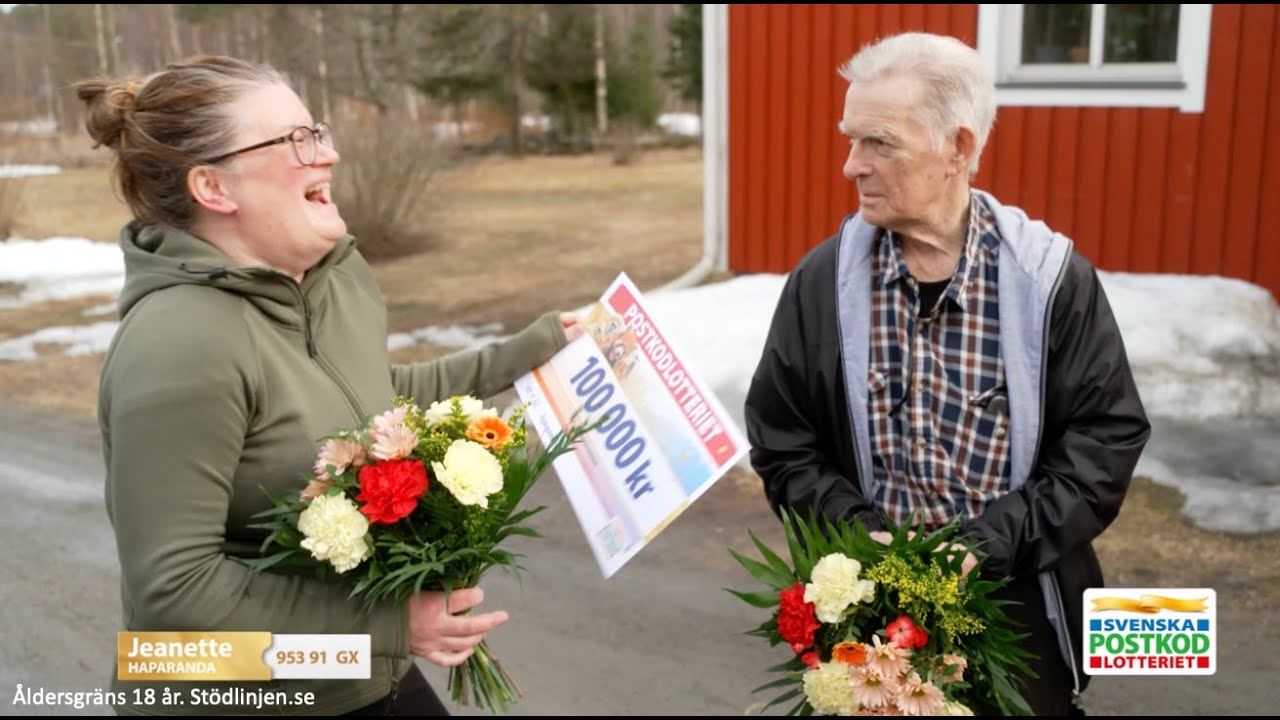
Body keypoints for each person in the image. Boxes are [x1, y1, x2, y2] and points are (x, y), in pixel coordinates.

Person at [79, 55, 583, 716]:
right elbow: (173, 592)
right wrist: (390, 628)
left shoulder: (331, 279)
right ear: (212, 187)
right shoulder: (177, 347)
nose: (331, 153)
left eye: (317, 131)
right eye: (297, 141)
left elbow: (366, 397)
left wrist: (530, 352)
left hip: (354, 674)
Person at [743, 33, 1151, 715]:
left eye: (879, 144)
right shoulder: (821, 284)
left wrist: (986, 546)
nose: (851, 166)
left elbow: (1104, 442)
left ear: (958, 147)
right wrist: (858, 535)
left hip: (1017, 604)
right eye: (850, 140)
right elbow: (783, 441)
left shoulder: (1050, 283)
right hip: (874, 616)